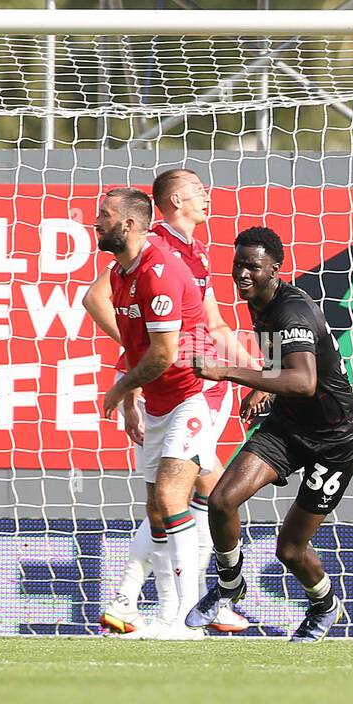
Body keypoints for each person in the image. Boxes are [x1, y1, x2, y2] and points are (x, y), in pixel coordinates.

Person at [187, 226, 353, 642]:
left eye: (252, 266)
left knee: (289, 550)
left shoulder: (292, 311)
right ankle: (230, 584)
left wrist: (228, 371)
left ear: (275, 268)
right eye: (237, 266)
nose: (242, 274)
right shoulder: (262, 303)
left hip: (336, 437)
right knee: (222, 500)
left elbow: (304, 382)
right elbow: (279, 363)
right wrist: (259, 388)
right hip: (289, 425)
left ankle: (324, 606)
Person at [85, 169, 247, 635]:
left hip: (201, 386)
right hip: (166, 384)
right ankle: (179, 605)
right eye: (199, 190)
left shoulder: (190, 252)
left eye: (103, 215)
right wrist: (142, 368)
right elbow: (96, 301)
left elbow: (214, 327)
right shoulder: (147, 249)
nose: (208, 196)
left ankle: (166, 607)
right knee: (200, 499)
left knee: (185, 497)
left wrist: (262, 375)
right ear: (175, 199)